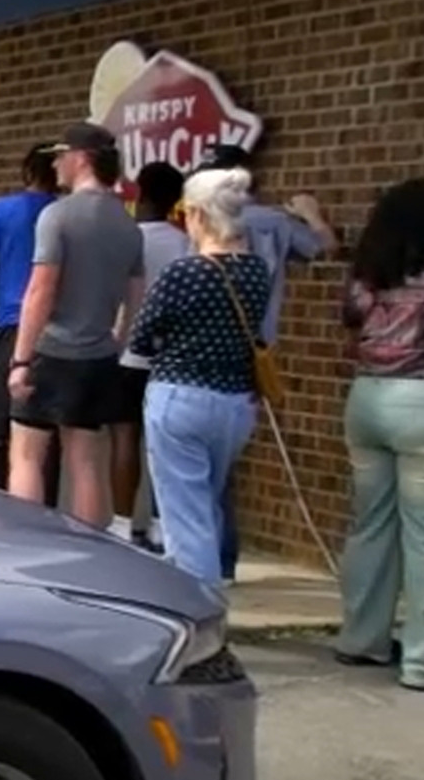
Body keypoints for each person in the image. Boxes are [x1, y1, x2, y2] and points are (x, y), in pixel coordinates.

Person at [333, 178, 424, 692]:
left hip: (368, 399)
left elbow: (350, 319)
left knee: (371, 525)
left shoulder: (368, 275)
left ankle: (361, 637)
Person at [199, 144, 337, 582]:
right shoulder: (275, 222)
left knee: (195, 461)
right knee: (224, 460)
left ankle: (204, 559)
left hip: (203, 348)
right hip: (256, 352)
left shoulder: (205, 221)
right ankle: (222, 559)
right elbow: (323, 247)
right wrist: (310, 213)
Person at [126, 168, 269, 587]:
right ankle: (211, 588)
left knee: (184, 517)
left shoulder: (183, 273)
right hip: (234, 402)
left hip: (180, 395)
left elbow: (141, 337)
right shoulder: (256, 271)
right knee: (206, 504)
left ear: (199, 216)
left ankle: (199, 611)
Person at [6, 123, 143, 528]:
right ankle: (91, 551)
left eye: (61, 154)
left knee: (27, 452)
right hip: (99, 355)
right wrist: (116, 340)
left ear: (82, 158)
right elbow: (134, 295)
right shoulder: (127, 224)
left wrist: (20, 360)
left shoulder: (57, 215)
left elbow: (40, 291)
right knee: (86, 460)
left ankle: (24, 539)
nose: (55, 162)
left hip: (52, 350)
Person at [0, 144, 63, 506]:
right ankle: (43, 513)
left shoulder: (0, 211)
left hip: (8, 328)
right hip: (55, 334)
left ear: (26, 172)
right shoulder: (63, 214)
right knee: (43, 434)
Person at [111, 163, 191, 552]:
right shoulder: (185, 242)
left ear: (139, 193)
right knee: (165, 446)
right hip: (171, 358)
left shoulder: (127, 239)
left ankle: (124, 526)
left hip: (126, 352)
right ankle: (161, 525)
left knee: (125, 437)